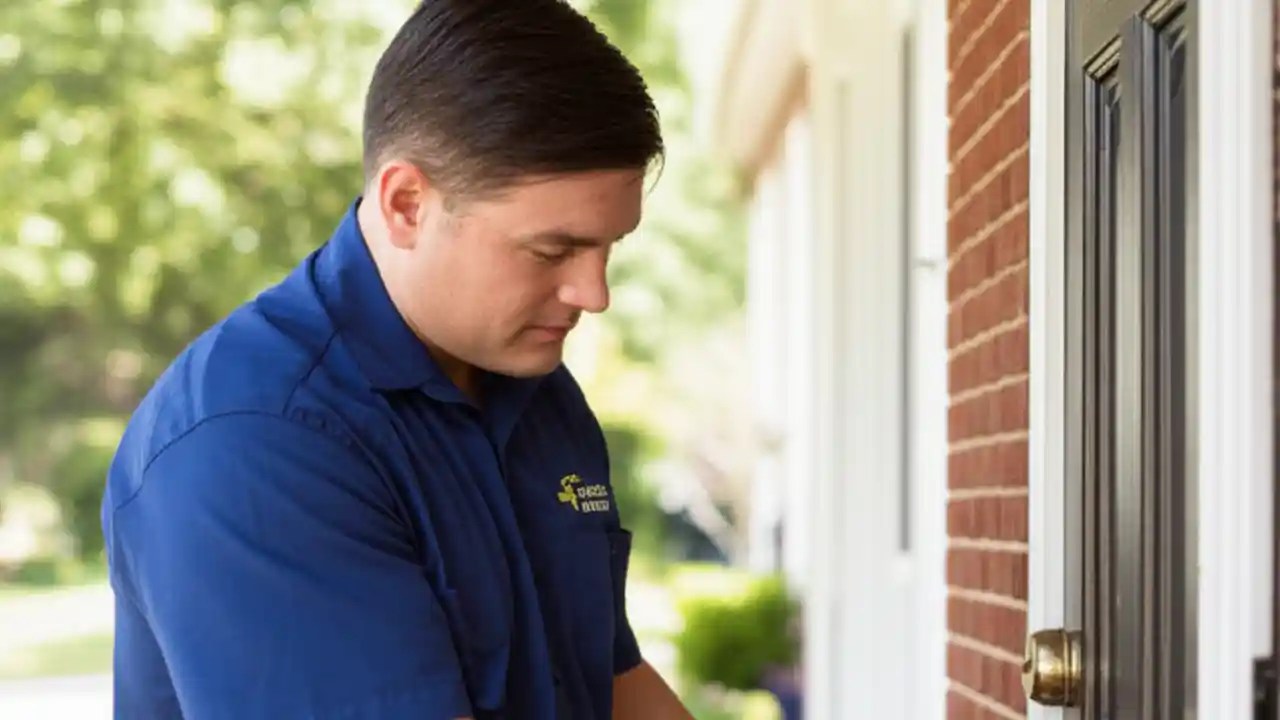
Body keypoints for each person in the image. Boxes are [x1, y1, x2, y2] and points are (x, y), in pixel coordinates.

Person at [100, 1, 693, 718]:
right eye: (552, 251)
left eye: (609, 247)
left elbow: (610, 678)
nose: (594, 294)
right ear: (407, 203)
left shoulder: (534, 389)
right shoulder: (254, 444)